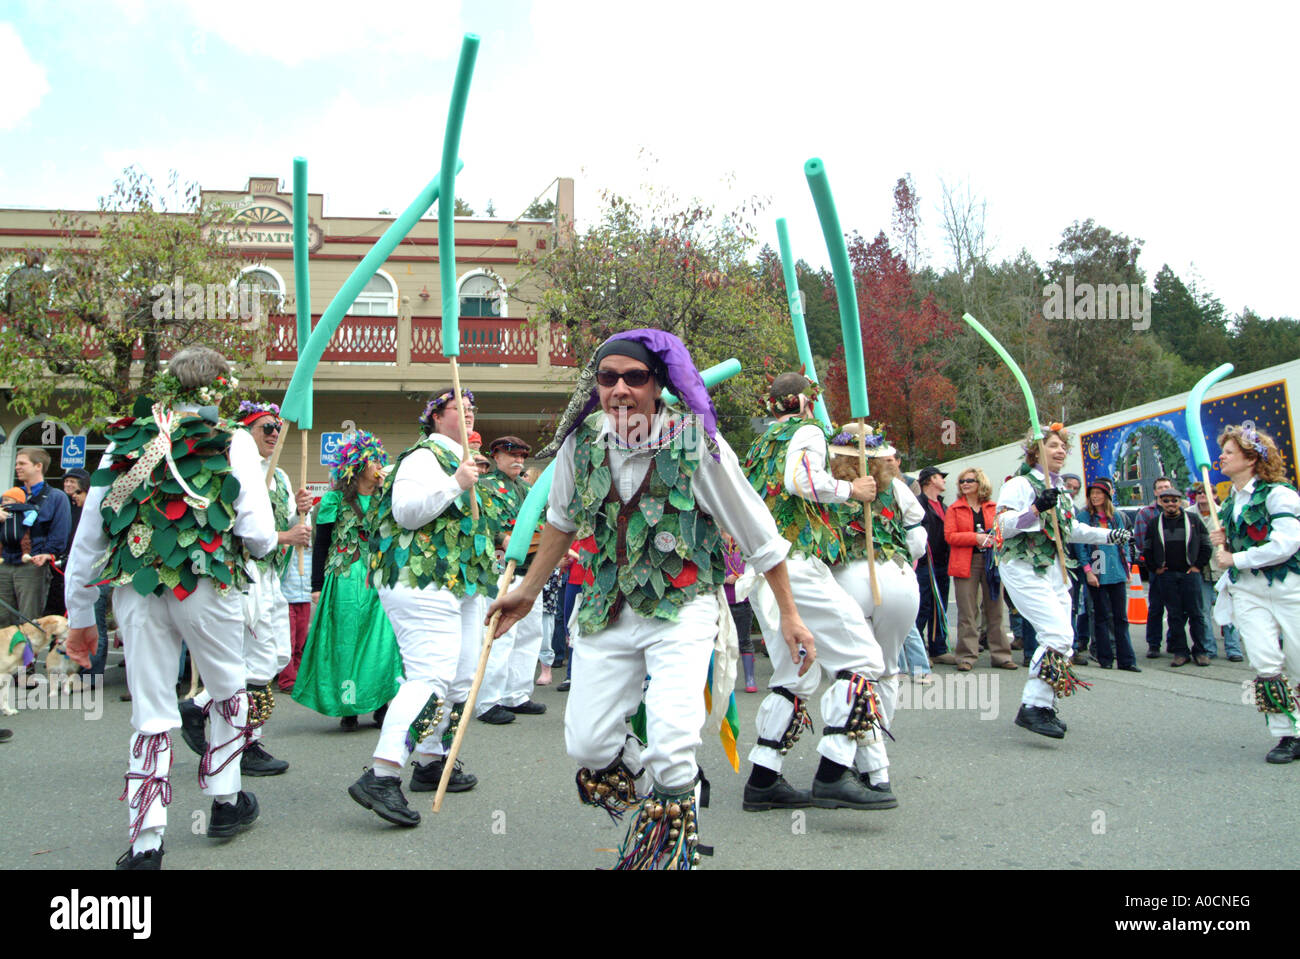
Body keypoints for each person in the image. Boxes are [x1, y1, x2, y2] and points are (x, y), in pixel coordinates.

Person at [486, 332, 814, 869]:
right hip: (605, 606)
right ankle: (658, 787)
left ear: (657, 384)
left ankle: (671, 842)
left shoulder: (696, 442)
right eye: (607, 377)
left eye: (633, 377)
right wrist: (526, 589)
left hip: (682, 607)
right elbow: (561, 524)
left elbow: (758, 533)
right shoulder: (581, 442)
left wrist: (791, 616)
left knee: (672, 744)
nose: (619, 388)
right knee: (589, 748)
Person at [63, 346, 278, 869]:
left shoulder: (124, 444)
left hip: (136, 588)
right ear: (219, 386)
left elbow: (90, 535)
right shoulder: (232, 439)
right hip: (206, 584)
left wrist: (79, 614)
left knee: (150, 708)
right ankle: (225, 801)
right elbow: (258, 534)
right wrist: (257, 545)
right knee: (229, 687)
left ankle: (146, 842)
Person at [738, 373, 895, 813]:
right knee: (862, 659)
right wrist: (852, 489)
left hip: (765, 569)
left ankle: (763, 780)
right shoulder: (807, 430)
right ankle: (833, 773)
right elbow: (801, 480)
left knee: (796, 674)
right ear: (806, 402)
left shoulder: (760, 443)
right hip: (796, 565)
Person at [348, 387, 499, 826]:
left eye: (473, 408)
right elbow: (407, 512)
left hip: (462, 584)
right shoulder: (422, 458)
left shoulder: (463, 461)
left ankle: (432, 761)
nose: (470, 413)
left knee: (462, 677)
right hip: (422, 581)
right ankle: (383, 772)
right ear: (435, 417)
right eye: (460, 408)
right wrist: (456, 484)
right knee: (429, 675)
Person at [178, 401, 313, 776]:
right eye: (266, 427)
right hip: (244, 575)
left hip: (272, 577)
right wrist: (285, 535)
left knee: (275, 656)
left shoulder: (281, 477)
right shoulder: (232, 471)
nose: (273, 434)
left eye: (276, 428)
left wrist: (300, 513)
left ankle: (203, 706)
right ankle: (243, 741)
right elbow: (240, 529)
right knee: (251, 658)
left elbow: (284, 524)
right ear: (246, 432)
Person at [998, 424, 1132, 739]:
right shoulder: (1018, 484)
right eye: (1053, 445)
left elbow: (1071, 530)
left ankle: (1042, 705)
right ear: (1036, 450)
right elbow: (1002, 525)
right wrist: (1034, 509)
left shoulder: (1061, 491)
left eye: (1063, 446)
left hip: (1056, 568)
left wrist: (1110, 536)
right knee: (1055, 633)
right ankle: (1032, 707)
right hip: (1023, 565)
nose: (1060, 451)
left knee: (1065, 638)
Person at [826, 422, 928, 792]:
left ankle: (870, 764)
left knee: (854, 672)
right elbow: (917, 535)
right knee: (886, 671)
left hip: (848, 579)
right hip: (899, 580)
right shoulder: (898, 488)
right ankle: (870, 757)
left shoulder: (828, 486)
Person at [292, 431, 404, 732]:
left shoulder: (387, 498)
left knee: (381, 642)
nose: (379, 464)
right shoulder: (332, 500)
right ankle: (348, 707)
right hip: (344, 578)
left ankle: (380, 703)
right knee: (347, 643)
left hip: (379, 579)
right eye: (372, 460)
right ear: (356, 465)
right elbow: (321, 543)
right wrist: (316, 585)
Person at [1207, 424, 1300, 763]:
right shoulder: (1229, 501)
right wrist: (1223, 543)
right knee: (1265, 661)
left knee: (1299, 661)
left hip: (1288, 588)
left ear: (1251, 458)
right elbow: (1232, 551)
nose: (1222, 457)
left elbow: (1286, 544)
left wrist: (1236, 557)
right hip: (1247, 590)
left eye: (1229, 452)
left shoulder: (1280, 494)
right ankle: (1286, 735)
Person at [476, 436, 548, 724]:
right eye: (511, 456)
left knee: (531, 632)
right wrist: (498, 537)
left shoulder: (529, 489)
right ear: (496, 456)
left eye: (521, 456)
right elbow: (479, 521)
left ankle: (516, 694)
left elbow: (543, 522)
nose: (518, 461)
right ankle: (487, 700)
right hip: (502, 568)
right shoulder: (485, 487)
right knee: (501, 632)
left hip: (531, 568)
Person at [945, 466, 1014, 670]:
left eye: (969, 481)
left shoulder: (994, 507)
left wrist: (994, 539)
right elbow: (950, 536)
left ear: (980, 484)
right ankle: (966, 656)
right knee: (967, 611)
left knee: (995, 610)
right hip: (966, 563)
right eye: (962, 481)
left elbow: (1003, 531)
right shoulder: (954, 509)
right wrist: (976, 538)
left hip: (991, 562)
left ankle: (1001, 655)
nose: (965, 484)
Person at [1072, 478, 1140, 671]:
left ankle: (1127, 660)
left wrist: (1126, 565)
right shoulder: (1084, 517)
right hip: (1097, 571)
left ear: (1106, 496)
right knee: (1101, 617)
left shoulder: (1115, 516)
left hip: (1116, 570)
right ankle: (1105, 658)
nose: (1095, 497)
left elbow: (1124, 542)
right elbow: (1080, 546)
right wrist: (1088, 571)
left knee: (1120, 617)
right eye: (1092, 494)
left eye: (1098, 493)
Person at [0, 448, 70, 629]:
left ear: (38, 466)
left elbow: (60, 536)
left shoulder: (56, 497)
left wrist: (46, 554)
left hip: (32, 566)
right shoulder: (8, 497)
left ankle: (27, 658)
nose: (17, 467)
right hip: (4, 563)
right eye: (16, 463)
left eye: (22, 463)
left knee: (29, 622)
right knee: (2, 621)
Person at [1144, 485, 1212, 667]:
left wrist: (1198, 566)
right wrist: (1155, 568)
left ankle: (1201, 651)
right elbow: (1147, 549)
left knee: (1197, 614)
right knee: (1174, 616)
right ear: (1160, 502)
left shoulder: (1194, 520)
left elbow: (1207, 545)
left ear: (1180, 502)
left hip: (1190, 574)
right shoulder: (1154, 523)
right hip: (1167, 576)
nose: (1170, 504)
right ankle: (1180, 652)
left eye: (1174, 500)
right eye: (1166, 501)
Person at [1192, 482, 1244, 661]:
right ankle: (1209, 648)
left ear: (1214, 495)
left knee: (1228, 609)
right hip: (1200, 568)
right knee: (1203, 610)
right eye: (1198, 492)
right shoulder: (1189, 514)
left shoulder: (1223, 513)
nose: (1202, 495)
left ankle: (1233, 649)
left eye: (1206, 492)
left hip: (1222, 568)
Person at [914, 466, 955, 665]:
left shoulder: (944, 506)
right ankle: (919, 649)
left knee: (941, 606)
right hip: (924, 563)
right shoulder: (917, 504)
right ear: (930, 480)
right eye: (941, 477)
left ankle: (938, 648)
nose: (944, 480)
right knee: (923, 606)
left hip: (942, 561)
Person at [1134, 476, 1175, 657]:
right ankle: (1154, 643)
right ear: (1156, 492)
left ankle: (1175, 642)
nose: (1164, 490)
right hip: (1157, 569)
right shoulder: (1146, 513)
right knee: (1156, 608)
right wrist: (1156, 563)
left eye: (1167, 486)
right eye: (1160, 488)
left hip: (1177, 568)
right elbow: (1142, 542)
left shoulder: (1181, 512)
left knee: (1176, 608)